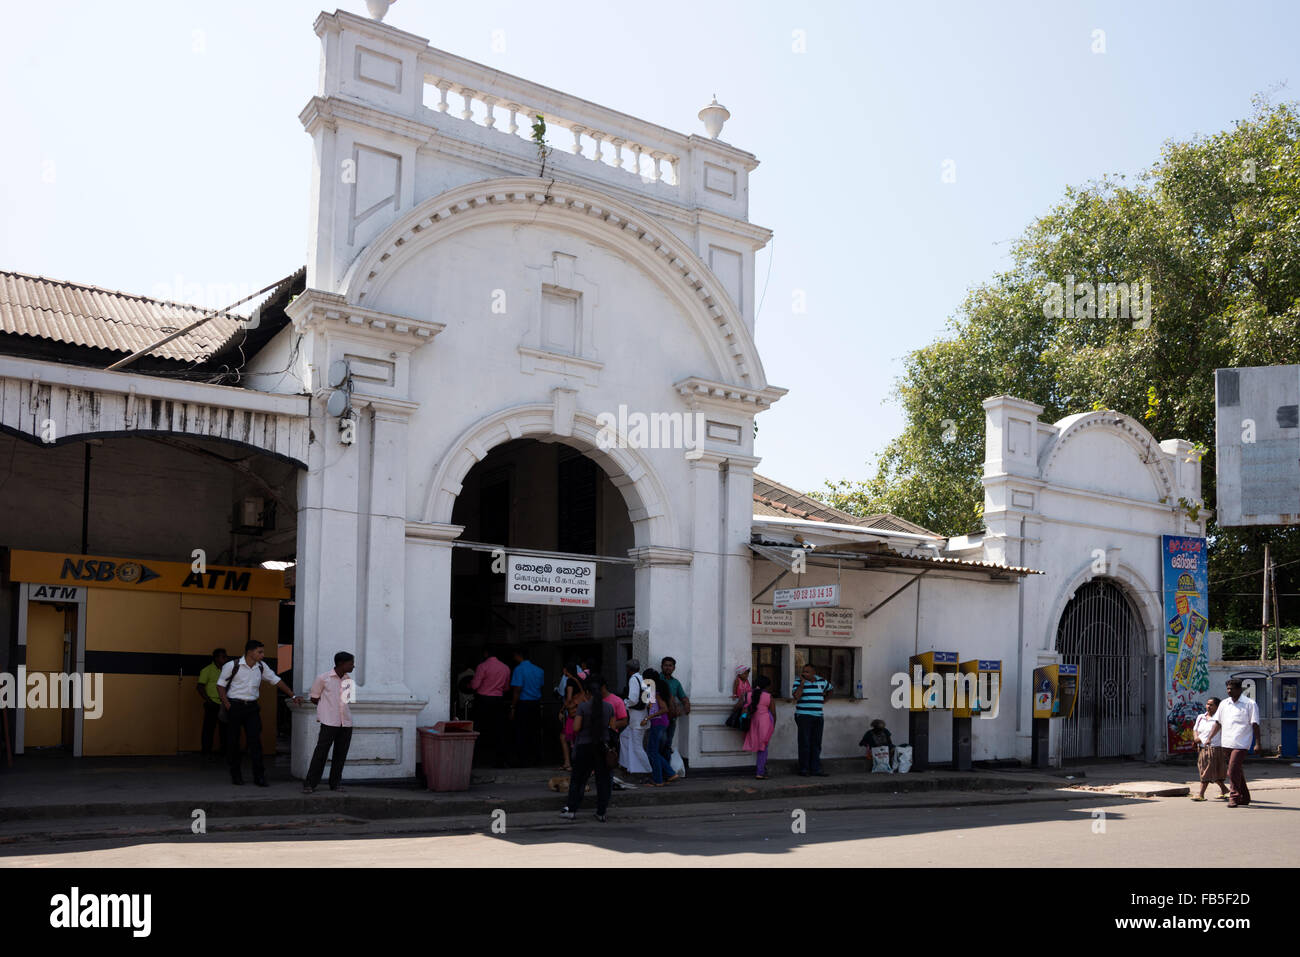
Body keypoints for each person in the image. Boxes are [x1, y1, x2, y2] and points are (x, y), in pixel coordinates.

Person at [217, 639, 302, 786]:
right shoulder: (232, 666)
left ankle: (259, 776)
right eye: (260, 652)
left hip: (252, 708)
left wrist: (292, 695)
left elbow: (276, 680)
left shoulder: (261, 667)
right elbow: (220, 686)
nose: (262, 655)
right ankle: (236, 775)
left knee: (255, 743)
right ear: (250, 652)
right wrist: (227, 704)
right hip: (235, 707)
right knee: (233, 742)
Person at [560, 676, 618, 822]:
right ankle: (601, 812)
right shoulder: (609, 707)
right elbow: (613, 728)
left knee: (578, 780)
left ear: (587, 693)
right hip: (603, 747)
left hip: (584, 747)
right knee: (603, 781)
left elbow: (576, 727)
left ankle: (572, 810)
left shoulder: (583, 707)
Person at [303, 652, 356, 793]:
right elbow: (314, 698)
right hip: (328, 721)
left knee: (341, 754)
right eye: (351, 663)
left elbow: (347, 701)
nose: (353, 666)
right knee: (321, 753)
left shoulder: (348, 680)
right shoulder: (323, 678)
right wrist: (327, 709)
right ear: (341, 663)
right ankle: (310, 784)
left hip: (346, 723)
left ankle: (335, 783)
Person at [1210, 678, 1261, 808]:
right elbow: (1218, 722)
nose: (1228, 691)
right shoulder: (1224, 704)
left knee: (1232, 770)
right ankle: (1245, 796)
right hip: (1226, 742)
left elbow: (1255, 724)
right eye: (1227, 688)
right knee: (1236, 770)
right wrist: (1210, 737)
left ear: (1239, 689)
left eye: (1231, 689)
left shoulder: (1250, 704)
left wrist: (1257, 743)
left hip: (1241, 743)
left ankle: (1234, 796)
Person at [470, 647, 510, 767]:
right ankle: (500, 760)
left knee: (478, 729)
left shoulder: (482, 666)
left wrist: (470, 684)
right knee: (499, 730)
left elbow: (475, 686)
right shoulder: (505, 668)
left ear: (486, 653)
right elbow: (506, 687)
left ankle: (476, 760)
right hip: (498, 701)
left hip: (483, 701)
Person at [791, 663, 832, 777]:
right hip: (803, 716)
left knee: (816, 743)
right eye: (803, 671)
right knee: (805, 743)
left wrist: (825, 700)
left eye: (807, 671)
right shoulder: (798, 681)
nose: (804, 673)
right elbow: (796, 696)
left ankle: (816, 769)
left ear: (814, 672)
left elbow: (831, 689)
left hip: (818, 716)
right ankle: (804, 769)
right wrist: (802, 684)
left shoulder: (822, 681)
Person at [639, 669, 678, 786]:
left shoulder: (656, 692)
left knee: (652, 752)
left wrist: (648, 718)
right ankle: (667, 775)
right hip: (660, 723)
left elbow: (664, 709)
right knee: (653, 752)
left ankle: (660, 779)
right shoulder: (653, 690)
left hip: (659, 723)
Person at [509, 647, 545, 766]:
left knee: (521, 732)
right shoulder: (539, 670)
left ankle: (522, 759)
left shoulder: (518, 670)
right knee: (534, 732)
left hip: (523, 704)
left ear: (519, 655)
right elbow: (541, 686)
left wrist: (513, 707)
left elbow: (517, 690)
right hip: (536, 703)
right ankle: (537, 758)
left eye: (514, 655)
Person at [1191, 698, 1229, 802]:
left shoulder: (1219, 719)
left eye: (1211, 705)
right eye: (1207, 704)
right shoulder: (1201, 717)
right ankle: (1224, 790)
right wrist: (1195, 739)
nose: (1208, 706)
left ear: (1217, 707)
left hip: (1214, 748)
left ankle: (1201, 794)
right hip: (1202, 748)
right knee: (1211, 771)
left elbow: (1211, 733)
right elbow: (1195, 729)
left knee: (1207, 771)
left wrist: (1201, 739)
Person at [618, 659, 652, 777]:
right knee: (624, 736)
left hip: (636, 719)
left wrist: (624, 703)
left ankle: (649, 771)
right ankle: (628, 765)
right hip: (642, 716)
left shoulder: (633, 679)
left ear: (628, 669)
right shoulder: (643, 678)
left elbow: (633, 699)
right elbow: (647, 701)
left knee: (637, 747)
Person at [742, 674, 776, 779]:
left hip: (752, 722)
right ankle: (760, 772)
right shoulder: (768, 696)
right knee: (763, 748)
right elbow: (773, 713)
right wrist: (773, 725)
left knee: (757, 745)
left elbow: (743, 709)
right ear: (766, 686)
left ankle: (760, 771)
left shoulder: (747, 695)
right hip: (765, 723)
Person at [196, 648, 227, 759]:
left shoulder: (227, 670)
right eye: (223, 656)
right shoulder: (207, 670)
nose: (225, 658)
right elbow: (200, 687)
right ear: (216, 658)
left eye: (225, 656)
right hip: (212, 703)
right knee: (209, 728)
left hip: (224, 703)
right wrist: (209, 701)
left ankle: (224, 751)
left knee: (224, 729)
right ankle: (206, 751)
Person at [659, 656, 691, 762]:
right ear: (662, 666)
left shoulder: (676, 682)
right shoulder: (657, 679)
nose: (668, 668)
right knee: (661, 742)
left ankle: (667, 770)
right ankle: (660, 769)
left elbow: (683, 697)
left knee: (668, 743)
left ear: (674, 668)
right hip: (659, 717)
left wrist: (686, 704)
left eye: (670, 665)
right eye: (666, 665)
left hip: (671, 718)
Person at [559, 664, 589, 771]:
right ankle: (579, 763)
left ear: (566, 670)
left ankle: (569, 763)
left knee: (565, 737)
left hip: (574, 714)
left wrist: (562, 710)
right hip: (582, 712)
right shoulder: (580, 679)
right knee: (578, 738)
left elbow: (569, 698)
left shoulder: (570, 681)